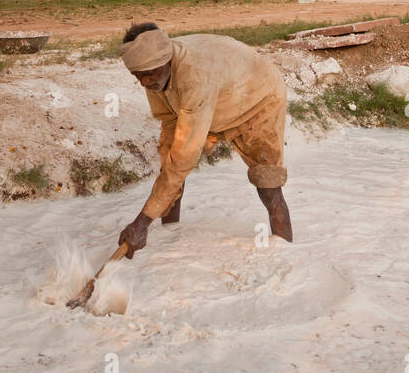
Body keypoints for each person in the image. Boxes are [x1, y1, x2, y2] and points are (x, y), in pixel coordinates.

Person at [116, 22, 292, 258]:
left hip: (258, 97)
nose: (144, 83)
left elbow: (185, 157)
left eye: (148, 75)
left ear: (167, 61)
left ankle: (286, 257)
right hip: (219, 96)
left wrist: (141, 222)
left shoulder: (195, 76)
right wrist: (168, 162)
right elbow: (170, 123)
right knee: (170, 162)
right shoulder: (154, 70)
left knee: (267, 182)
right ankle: (171, 238)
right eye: (137, 76)